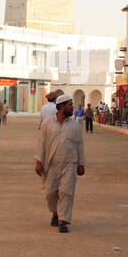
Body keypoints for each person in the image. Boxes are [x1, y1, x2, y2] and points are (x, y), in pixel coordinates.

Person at [35, 94, 85, 233]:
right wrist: (39, 161)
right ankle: (56, 213)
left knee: (66, 192)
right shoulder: (47, 124)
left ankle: (63, 220)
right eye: (69, 105)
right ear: (61, 106)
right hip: (51, 163)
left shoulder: (75, 126)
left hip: (70, 163)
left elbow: (80, 145)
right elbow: (41, 144)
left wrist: (81, 163)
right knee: (50, 193)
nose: (72, 107)